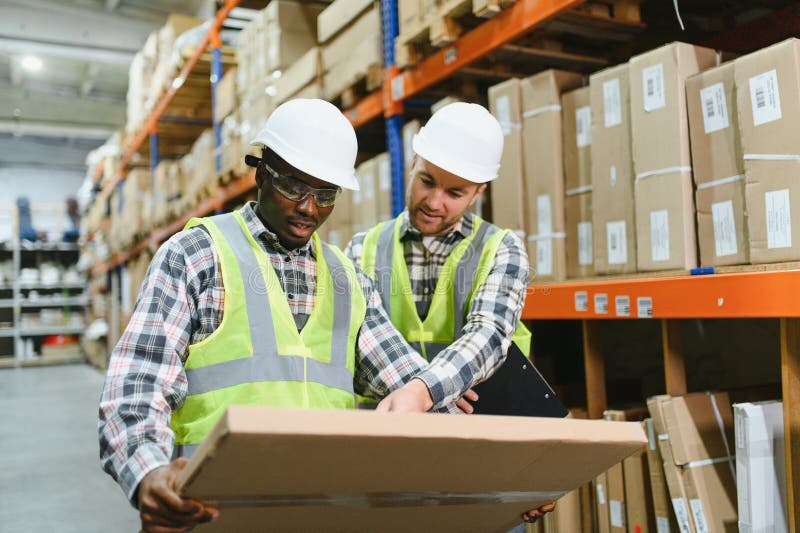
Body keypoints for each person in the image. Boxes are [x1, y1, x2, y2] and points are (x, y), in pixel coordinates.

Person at [98, 99, 470, 533]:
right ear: (260, 172)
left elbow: (413, 388)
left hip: (325, 517)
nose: (309, 209)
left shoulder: (349, 280)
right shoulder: (196, 256)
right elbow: (137, 387)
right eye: (293, 187)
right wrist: (150, 475)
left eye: (326, 194)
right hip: (214, 515)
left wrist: (514, 481)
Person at [346, 102, 554, 525]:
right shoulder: (361, 250)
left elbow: (489, 335)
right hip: (390, 467)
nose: (434, 202)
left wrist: (422, 394)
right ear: (413, 162)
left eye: (455, 193)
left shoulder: (502, 250)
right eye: (427, 181)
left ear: (479, 192)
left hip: (486, 466)